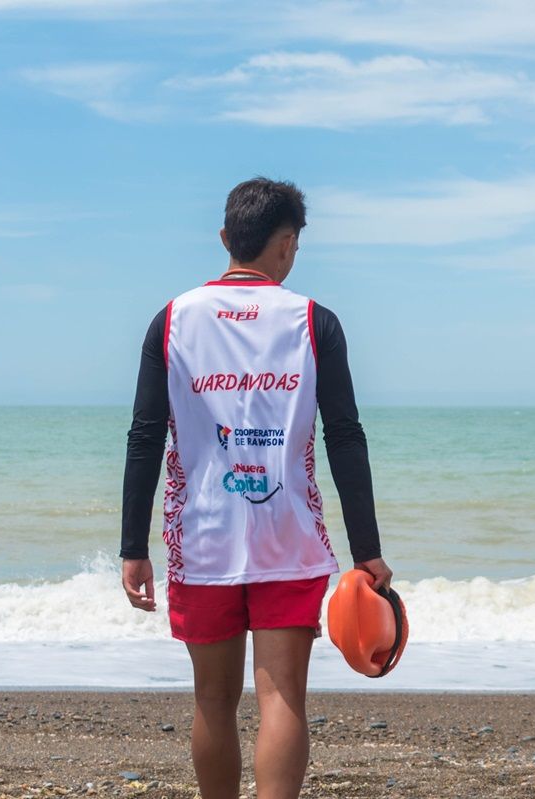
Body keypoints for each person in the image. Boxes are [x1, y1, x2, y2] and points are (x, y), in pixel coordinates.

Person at [119, 177, 392, 799]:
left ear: (224, 239)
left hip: (202, 537)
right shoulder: (314, 321)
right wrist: (367, 548)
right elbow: (344, 438)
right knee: (282, 699)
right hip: (288, 538)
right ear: (288, 244)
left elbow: (143, 438)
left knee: (213, 701)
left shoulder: (172, 320)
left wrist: (133, 545)